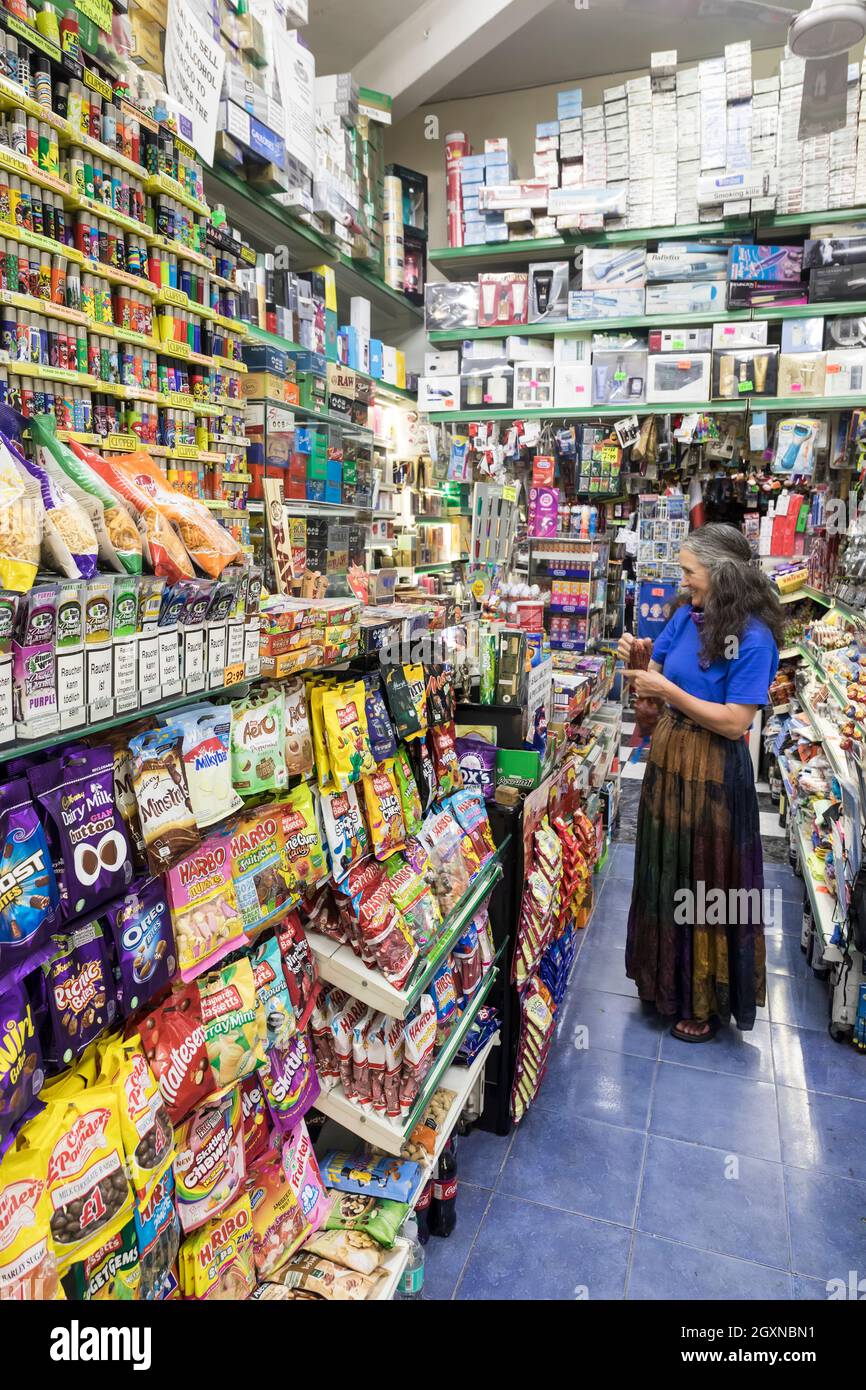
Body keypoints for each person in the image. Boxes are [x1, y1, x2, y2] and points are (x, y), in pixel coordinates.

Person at [618, 523, 783, 1041]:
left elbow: (736, 722)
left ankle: (704, 999)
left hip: (714, 770)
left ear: (722, 572)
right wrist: (640, 666)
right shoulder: (685, 619)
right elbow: (656, 684)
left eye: (690, 571)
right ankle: (661, 979)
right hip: (670, 761)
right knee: (666, 868)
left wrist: (665, 687)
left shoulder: (753, 636)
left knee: (707, 881)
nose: (683, 580)